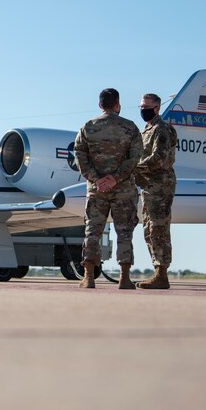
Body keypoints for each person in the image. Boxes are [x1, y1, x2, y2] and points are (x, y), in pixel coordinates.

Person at [73, 88, 143, 289]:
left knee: (92, 231)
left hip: (97, 190)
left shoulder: (88, 127)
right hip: (124, 190)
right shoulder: (130, 128)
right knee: (124, 232)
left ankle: (88, 277)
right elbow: (135, 156)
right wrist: (116, 178)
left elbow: (79, 155)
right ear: (117, 104)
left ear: (100, 105)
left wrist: (97, 179)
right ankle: (124, 278)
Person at [135, 93, 177, 289]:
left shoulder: (162, 129)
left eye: (147, 106)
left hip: (160, 185)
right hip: (149, 185)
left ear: (157, 108)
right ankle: (158, 271)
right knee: (149, 229)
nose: (143, 109)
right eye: (141, 106)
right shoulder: (147, 129)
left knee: (158, 228)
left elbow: (159, 158)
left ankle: (162, 274)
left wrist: (134, 167)